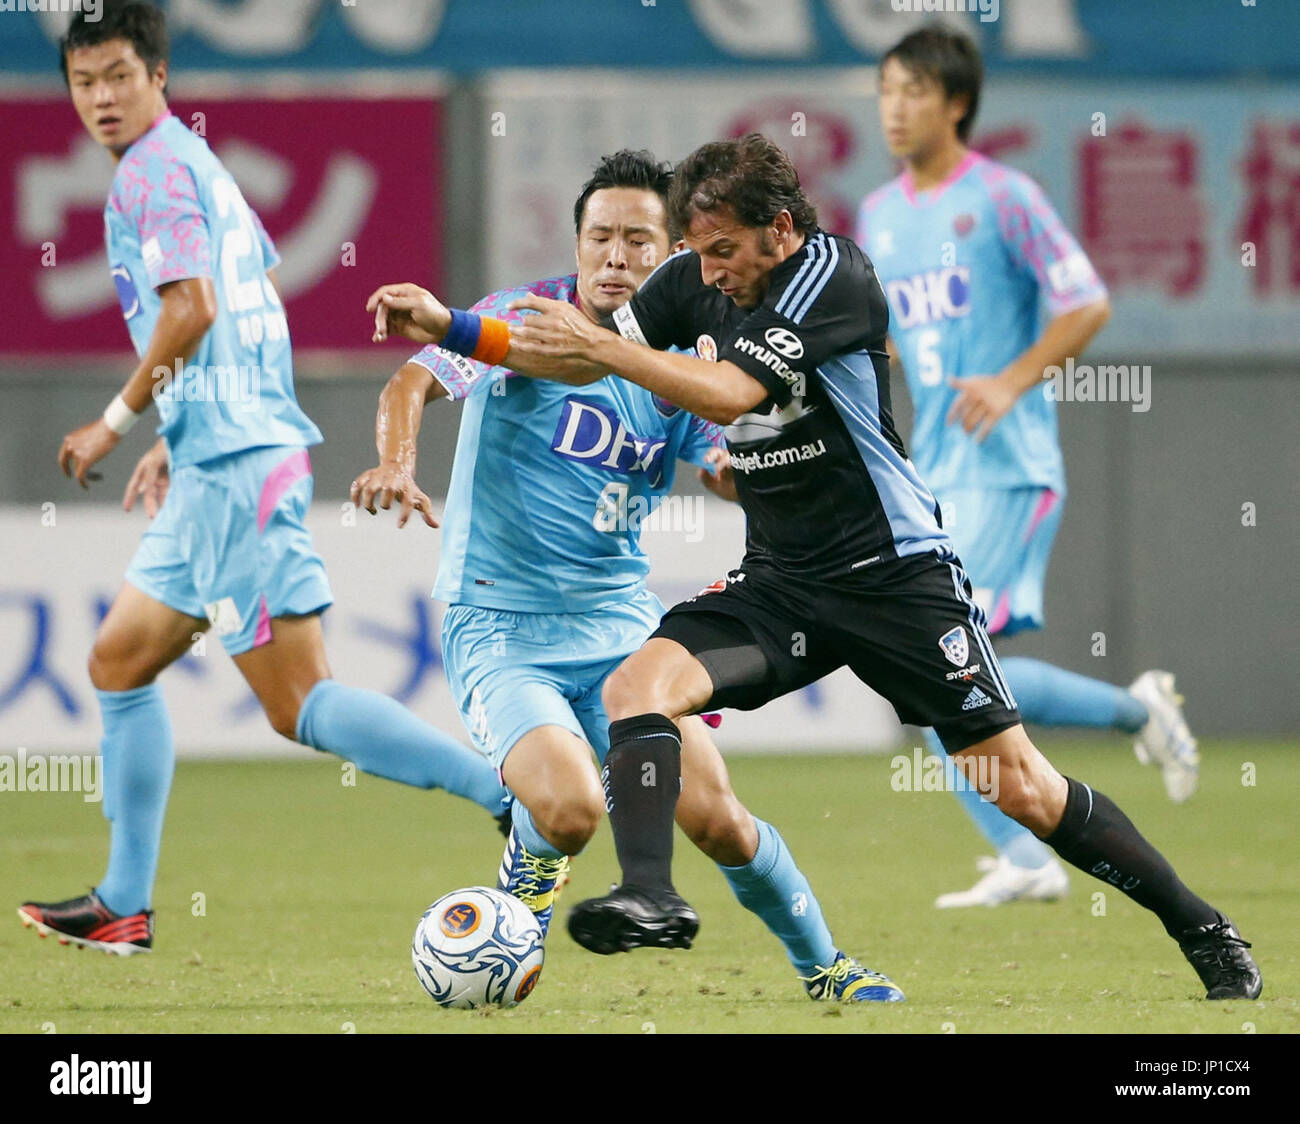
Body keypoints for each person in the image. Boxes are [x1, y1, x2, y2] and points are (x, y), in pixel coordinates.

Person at [367, 132, 1261, 1001]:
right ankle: (650, 893)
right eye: (696, 252)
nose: (708, 273)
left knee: (1019, 786)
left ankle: (1202, 929)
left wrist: (605, 348)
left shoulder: (836, 278)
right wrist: (450, 325)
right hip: (783, 584)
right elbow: (568, 357)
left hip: (893, 576)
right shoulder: (693, 282)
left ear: (782, 230)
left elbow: (724, 392)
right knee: (640, 688)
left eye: (723, 252)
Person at [353, 150, 903, 1002]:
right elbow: (414, 378)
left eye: (639, 242)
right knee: (570, 810)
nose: (616, 257)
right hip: (504, 628)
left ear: (674, 253)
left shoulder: (679, 356)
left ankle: (825, 969)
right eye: (599, 237)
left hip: (620, 631)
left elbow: (723, 456)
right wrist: (395, 461)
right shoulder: (527, 320)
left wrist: (778, 478)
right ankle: (527, 874)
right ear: (575, 246)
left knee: (718, 820)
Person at [19, 1, 507, 957]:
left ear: (158, 75)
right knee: (118, 662)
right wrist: (183, 424)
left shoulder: (150, 176)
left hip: (237, 468)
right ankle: (123, 901)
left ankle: (509, 794)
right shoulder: (200, 168)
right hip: (217, 453)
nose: (103, 98)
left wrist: (118, 421)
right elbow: (254, 314)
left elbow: (196, 308)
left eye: (120, 75)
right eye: (85, 82)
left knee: (299, 704)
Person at [857, 26, 1200, 909]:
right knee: (948, 666)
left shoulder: (1004, 197)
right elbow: (892, 342)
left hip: (1008, 467)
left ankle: (1028, 853)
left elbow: (1086, 302)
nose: (895, 107)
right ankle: (1132, 718)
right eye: (886, 90)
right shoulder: (881, 216)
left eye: (913, 91)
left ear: (957, 102)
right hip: (935, 471)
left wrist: (1012, 380)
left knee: (943, 665)